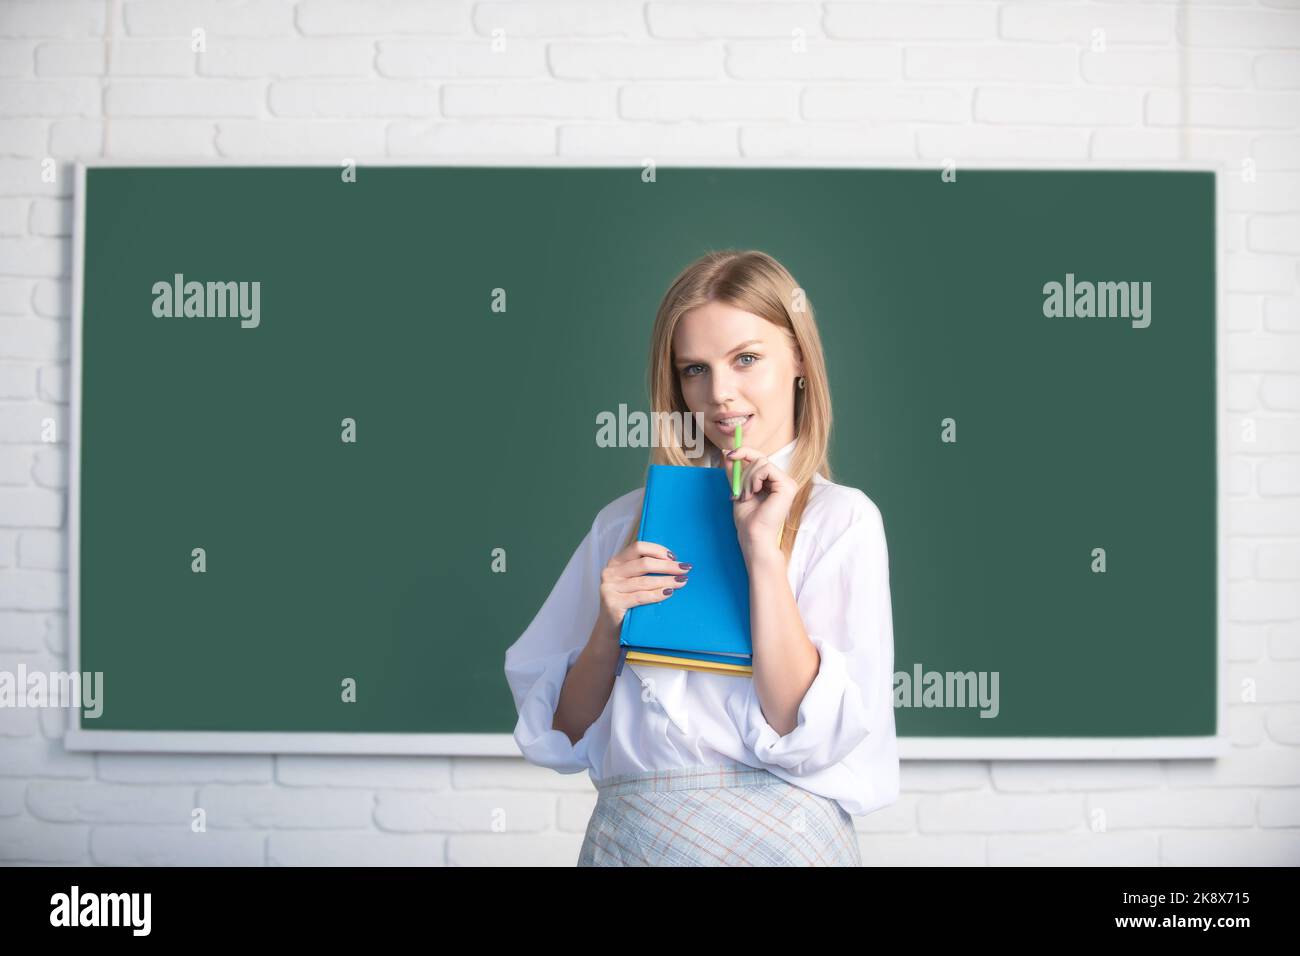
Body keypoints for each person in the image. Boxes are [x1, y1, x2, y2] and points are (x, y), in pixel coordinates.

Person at [503, 250, 899, 866]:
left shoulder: (839, 520)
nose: (720, 395)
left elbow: (804, 730)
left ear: (798, 358)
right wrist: (610, 625)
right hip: (631, 844)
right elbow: (562, 732)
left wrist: (762, 556)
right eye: (695, 370)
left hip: (779, 846)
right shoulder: (623, 525)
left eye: (746, 359)